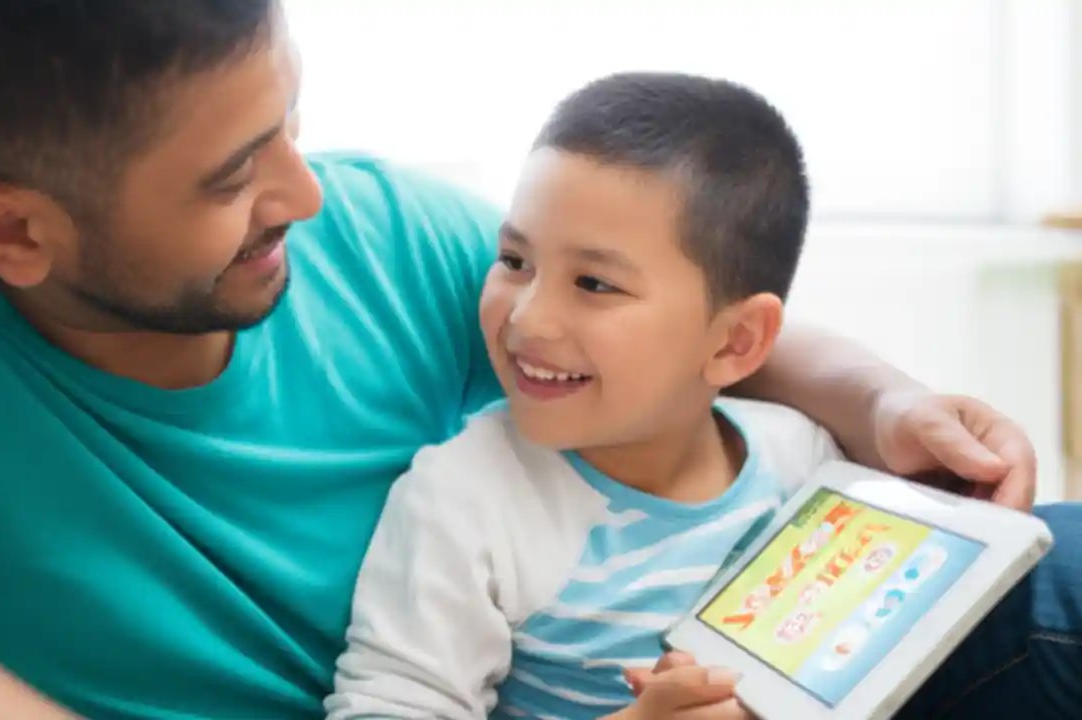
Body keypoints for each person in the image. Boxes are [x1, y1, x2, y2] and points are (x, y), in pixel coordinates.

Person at [0, 1, 1064, 718]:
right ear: (12, 231)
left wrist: (885, 404)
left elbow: (688, 330)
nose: (305, 190)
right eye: (234, 174)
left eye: (287, 122)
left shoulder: (376, 231)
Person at [326, 71, 840, 719]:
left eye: (593, 284)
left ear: (735, 342)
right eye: (515, 262)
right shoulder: (467, 497)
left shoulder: (809, 466)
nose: (527, 320)